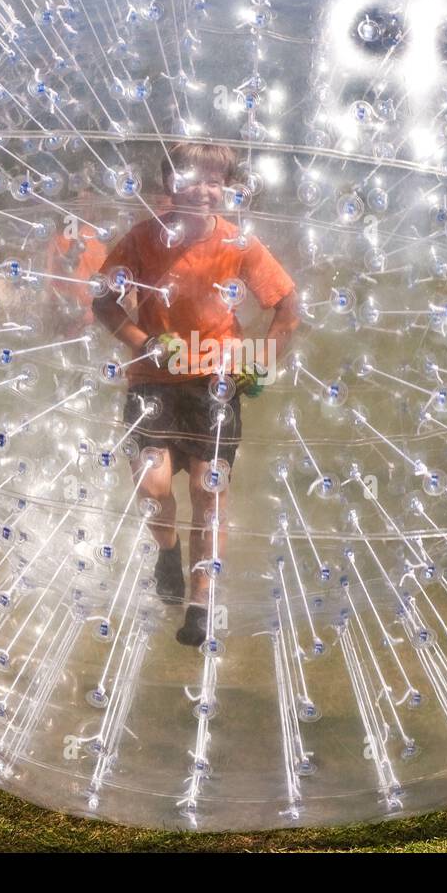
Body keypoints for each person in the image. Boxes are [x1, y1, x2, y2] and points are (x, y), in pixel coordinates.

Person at [92, 143, 300, 646]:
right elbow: (103, 299)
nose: (205, 190)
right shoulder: (143, 239)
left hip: (214, 383)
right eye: (193, 177)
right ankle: (167, 551)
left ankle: (200, 604)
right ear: (170, 183)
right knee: (153, 485)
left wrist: (260, 360)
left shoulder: (239, 243)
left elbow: (287, 306)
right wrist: (143, 344)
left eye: (217, 181)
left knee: (208, 492)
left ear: (228, 189)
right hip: (154, 381)